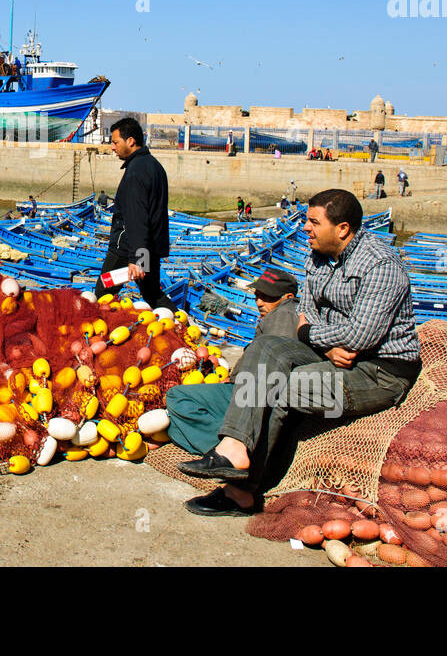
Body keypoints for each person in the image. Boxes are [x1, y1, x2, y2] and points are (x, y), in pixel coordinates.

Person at [178, 188, 419, 516]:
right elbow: (306, 315)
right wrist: (326, 341)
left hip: (378, 371)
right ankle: (234, 447)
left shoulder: (380, 264)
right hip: (332, 355)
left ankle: (242, 494)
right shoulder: (316, 256)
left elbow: (360, 336)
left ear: (342, 229)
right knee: (267, 347)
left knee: (277, 389)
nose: (305, 227)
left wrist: (316, 334)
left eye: (313, 222)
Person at [166, 269, 300, 460]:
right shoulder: (282, 314)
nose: (259, 302)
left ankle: (231, 450)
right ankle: (228, 442)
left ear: (288, 297)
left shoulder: (283, 314)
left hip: (251, 393)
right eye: (257, 296)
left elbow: (274, 360)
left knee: (175, 397)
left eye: (267, 297)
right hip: (244, 387)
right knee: (174, 430)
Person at [94, 118, 176, 312]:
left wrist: (137, 259)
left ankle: (100, 330)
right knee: (151, 293)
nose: (112, 148)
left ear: (130, 141)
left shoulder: (136, 171)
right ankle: (179, 321)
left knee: (103, 292)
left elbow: (137, 218)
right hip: (148, 247)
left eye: (115, 142)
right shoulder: (154, 166)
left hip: (126, 248)